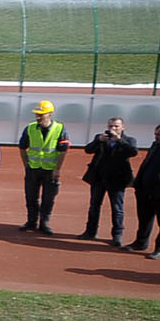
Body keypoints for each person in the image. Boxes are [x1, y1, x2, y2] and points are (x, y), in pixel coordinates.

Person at [80, 118, 137, 246]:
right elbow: (88, 150)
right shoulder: (101, 138)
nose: (113, 129)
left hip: (117, 180)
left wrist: (119, 140)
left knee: (117, 208)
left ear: (123, 127)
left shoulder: (129, 140)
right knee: (94, 206)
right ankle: (90, 231)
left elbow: (133, 152)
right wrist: (98, 141)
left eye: (116, 126)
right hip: (99, 178)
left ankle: (117, 235)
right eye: (111, 126)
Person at [17, 101, 68, 235]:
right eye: (37, 114)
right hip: (33, 169)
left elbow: (63, 151)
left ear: (50, 114)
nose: (38, 117)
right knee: (31, 197)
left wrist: (57, 169)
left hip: (50, 170)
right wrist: (26, 165)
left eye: (41, 114)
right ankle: (32, 221)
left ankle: (44, 223)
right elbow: (22, 147)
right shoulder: (30, 128)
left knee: (48, 198)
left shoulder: (59, 128)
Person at [129, 122, 160, 259]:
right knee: (144, 219)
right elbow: (145, 165)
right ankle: (140, 242)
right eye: (155, 134)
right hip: (145, 191)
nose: (156, 137)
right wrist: (137, 184)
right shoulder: (155, 146)